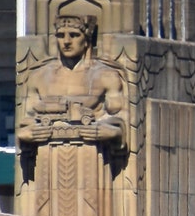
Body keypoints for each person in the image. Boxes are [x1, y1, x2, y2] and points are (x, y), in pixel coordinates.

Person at [17, 14, 127, 148]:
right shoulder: (38, 76)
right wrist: (26, 133)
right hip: (47, 156)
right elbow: (27, 119)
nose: (67, 41)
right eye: (61, 36)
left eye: (74, 35)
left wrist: (111, 132)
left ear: (86, 40)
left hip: (91, 155)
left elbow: (121, 118)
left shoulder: (106, 75)